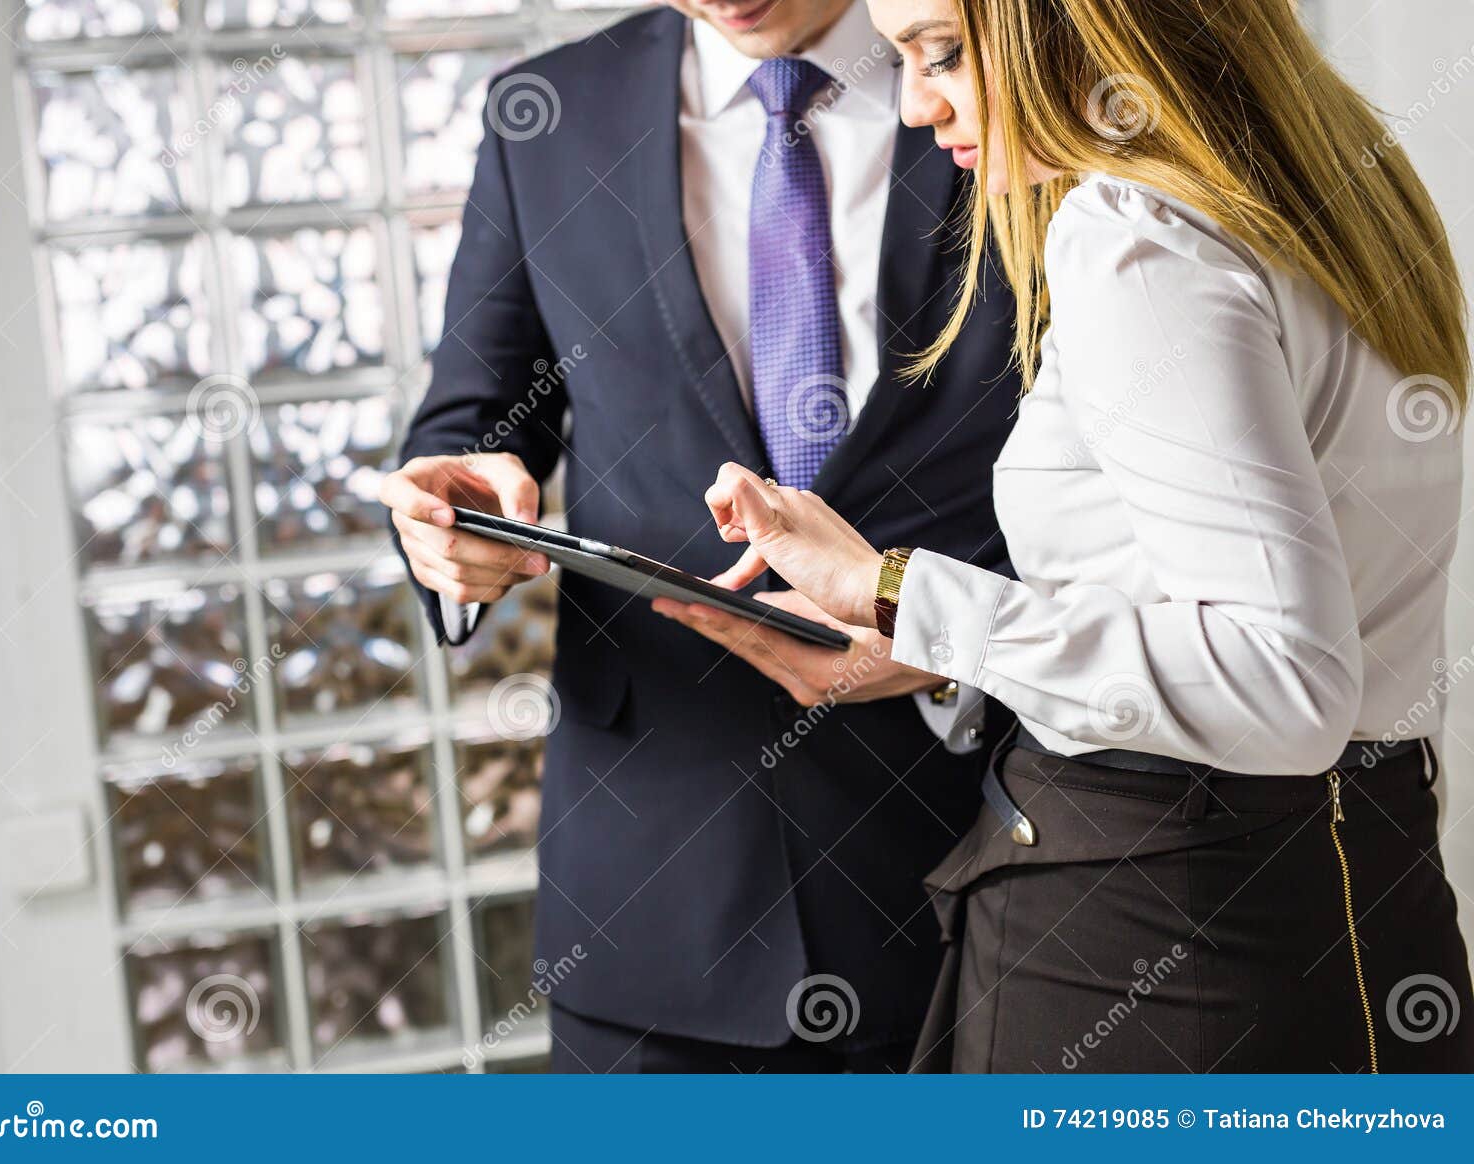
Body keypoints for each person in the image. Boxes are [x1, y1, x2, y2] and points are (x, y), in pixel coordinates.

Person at [695, 0, 1474, 1072]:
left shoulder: (1135, 235)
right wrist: (934, 645)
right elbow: (1244, 619)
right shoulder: (1344, 184)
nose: (918, 104)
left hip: (1158, 920)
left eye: (945, 52)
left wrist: (887, 586)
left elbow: (1281, 688)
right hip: (1367, 886)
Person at [380, 0, 1019, 1072]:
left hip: (984, 854)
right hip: (652, 896)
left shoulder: (998, 71)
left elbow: (1116, 454)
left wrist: (947, 644)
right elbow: (477, 419)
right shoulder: (547, 116)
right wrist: (456, 523)